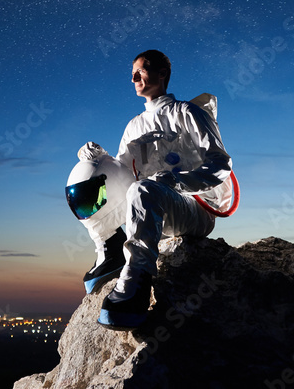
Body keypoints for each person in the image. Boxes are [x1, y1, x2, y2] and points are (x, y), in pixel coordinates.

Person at [68, 50, 234, 330]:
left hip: (194, 208)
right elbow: (120, 176)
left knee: (144, 190)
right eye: (132, 72)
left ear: (162, 74)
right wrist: (97, 160)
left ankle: (137, 285)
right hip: (153, 206)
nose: (134, 77)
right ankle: (109, 251)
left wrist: (176, 181)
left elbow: (221, 165)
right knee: (85, 178)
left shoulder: (188, 113)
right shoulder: (134, 125)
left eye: (141, 71)